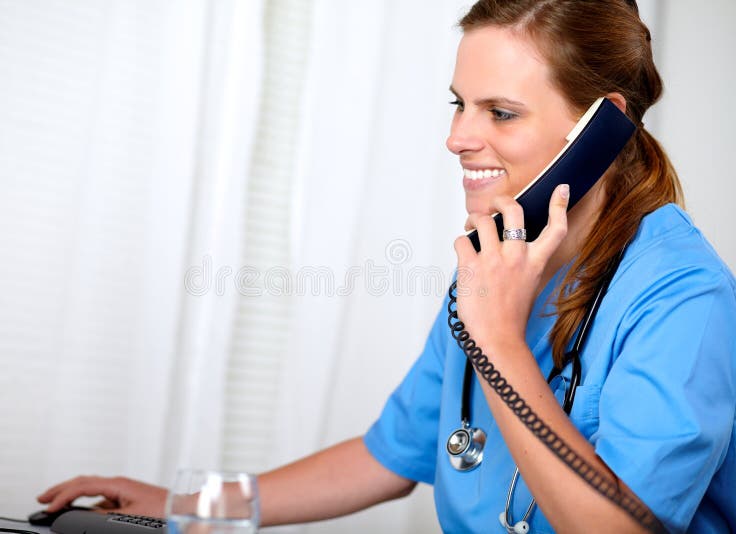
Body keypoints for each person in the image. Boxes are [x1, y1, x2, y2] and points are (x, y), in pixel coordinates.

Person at [37, 1, 736, 532]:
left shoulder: (684, 298)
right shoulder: (503, 259)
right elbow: (387, 457)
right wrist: (188, 505)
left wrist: (497, 340)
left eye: (501, 112)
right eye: (461, 105)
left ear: (603, 128)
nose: (458, 137)